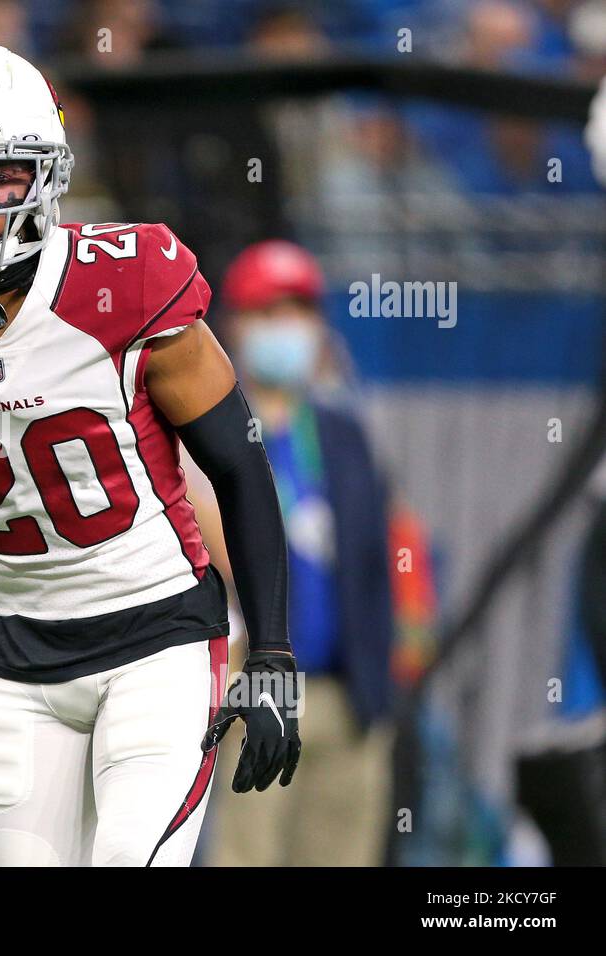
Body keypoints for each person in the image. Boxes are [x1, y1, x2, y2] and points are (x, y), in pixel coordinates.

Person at [0, 42, 301, 867]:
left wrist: (272, 658)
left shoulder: (130, 282)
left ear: (44, 175)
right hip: (17, 669)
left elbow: (241, 469)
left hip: (160, 646)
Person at [203, 239, 395, 866]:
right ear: (236, 323)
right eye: (268, 311)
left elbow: (372, 566)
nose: (286, 326)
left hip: (347, 689)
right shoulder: (208, 433)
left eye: (299, 310)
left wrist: (382, 685)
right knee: (247, 856)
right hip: (259, 681)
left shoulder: (343, 435)